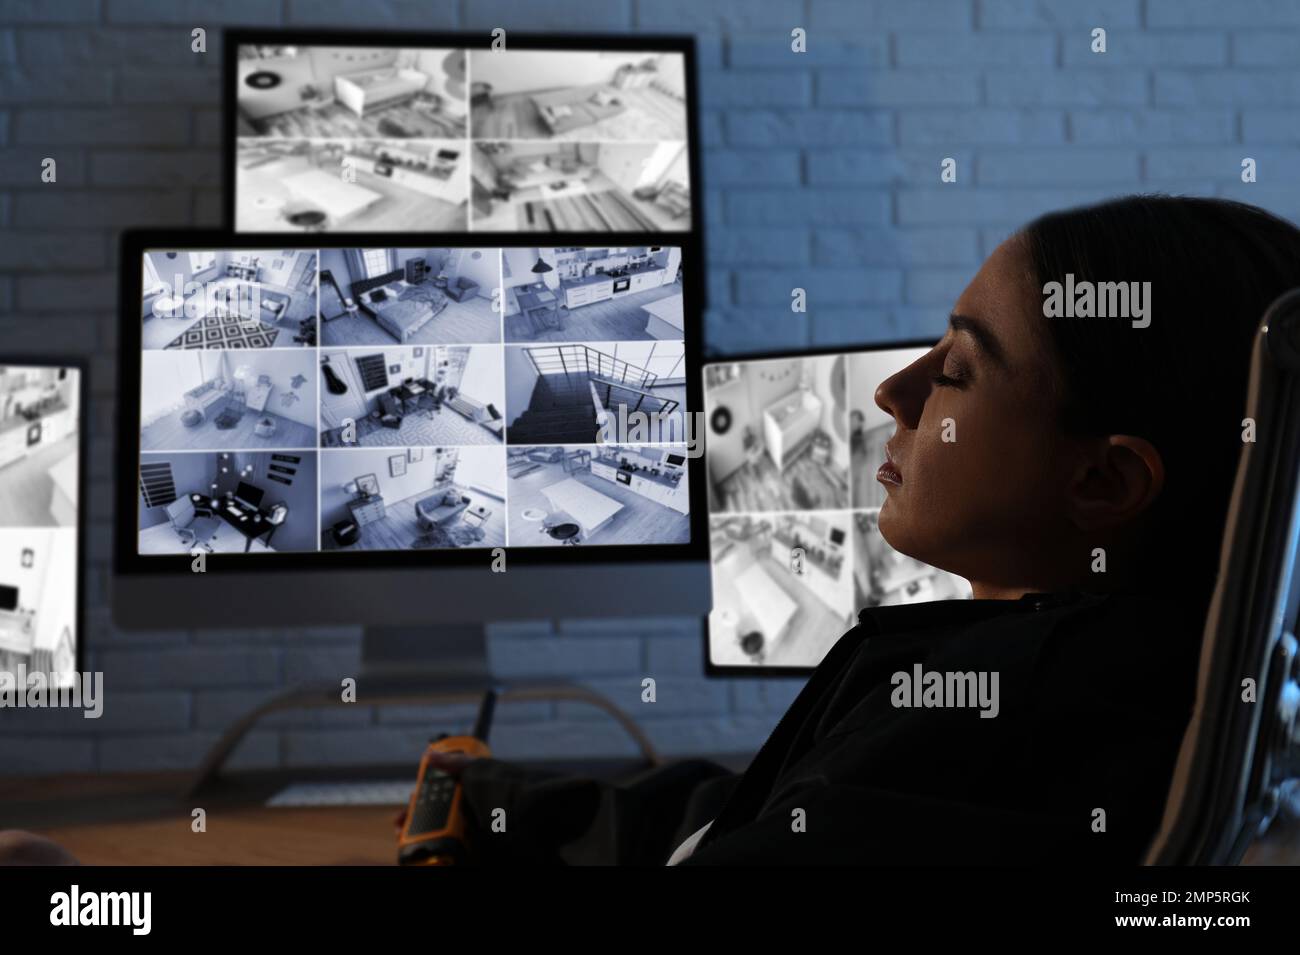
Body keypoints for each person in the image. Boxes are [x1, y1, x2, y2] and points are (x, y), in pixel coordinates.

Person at [409, 195, 1300, 865]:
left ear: (1104, 482)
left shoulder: (984, 721)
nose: (894, 392)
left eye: (956, 367)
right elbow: (765, 813)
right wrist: (502, 802)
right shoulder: (1111, 681)